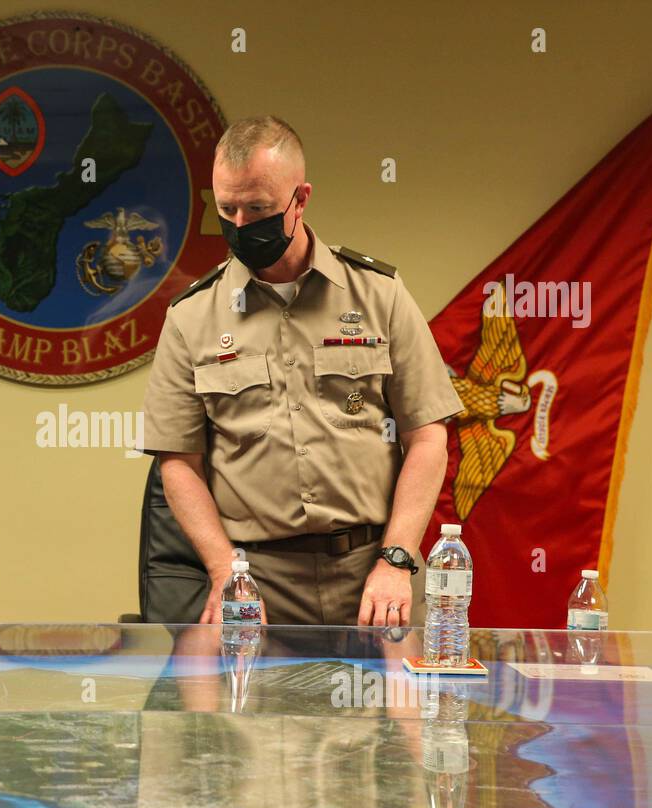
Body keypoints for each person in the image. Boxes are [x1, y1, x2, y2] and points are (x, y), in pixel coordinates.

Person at [141, 115, 463, 628]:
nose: (241, 224)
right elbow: (178, 462)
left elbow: (427, 436)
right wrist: (225, 571)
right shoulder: (191, 316)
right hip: (255, 579)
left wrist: (398, 557)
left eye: (260, 208)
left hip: (374, 569)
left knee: (396, 707)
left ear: (301, 198)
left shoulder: (378, 294)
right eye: (227, 208)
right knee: (252, 709)